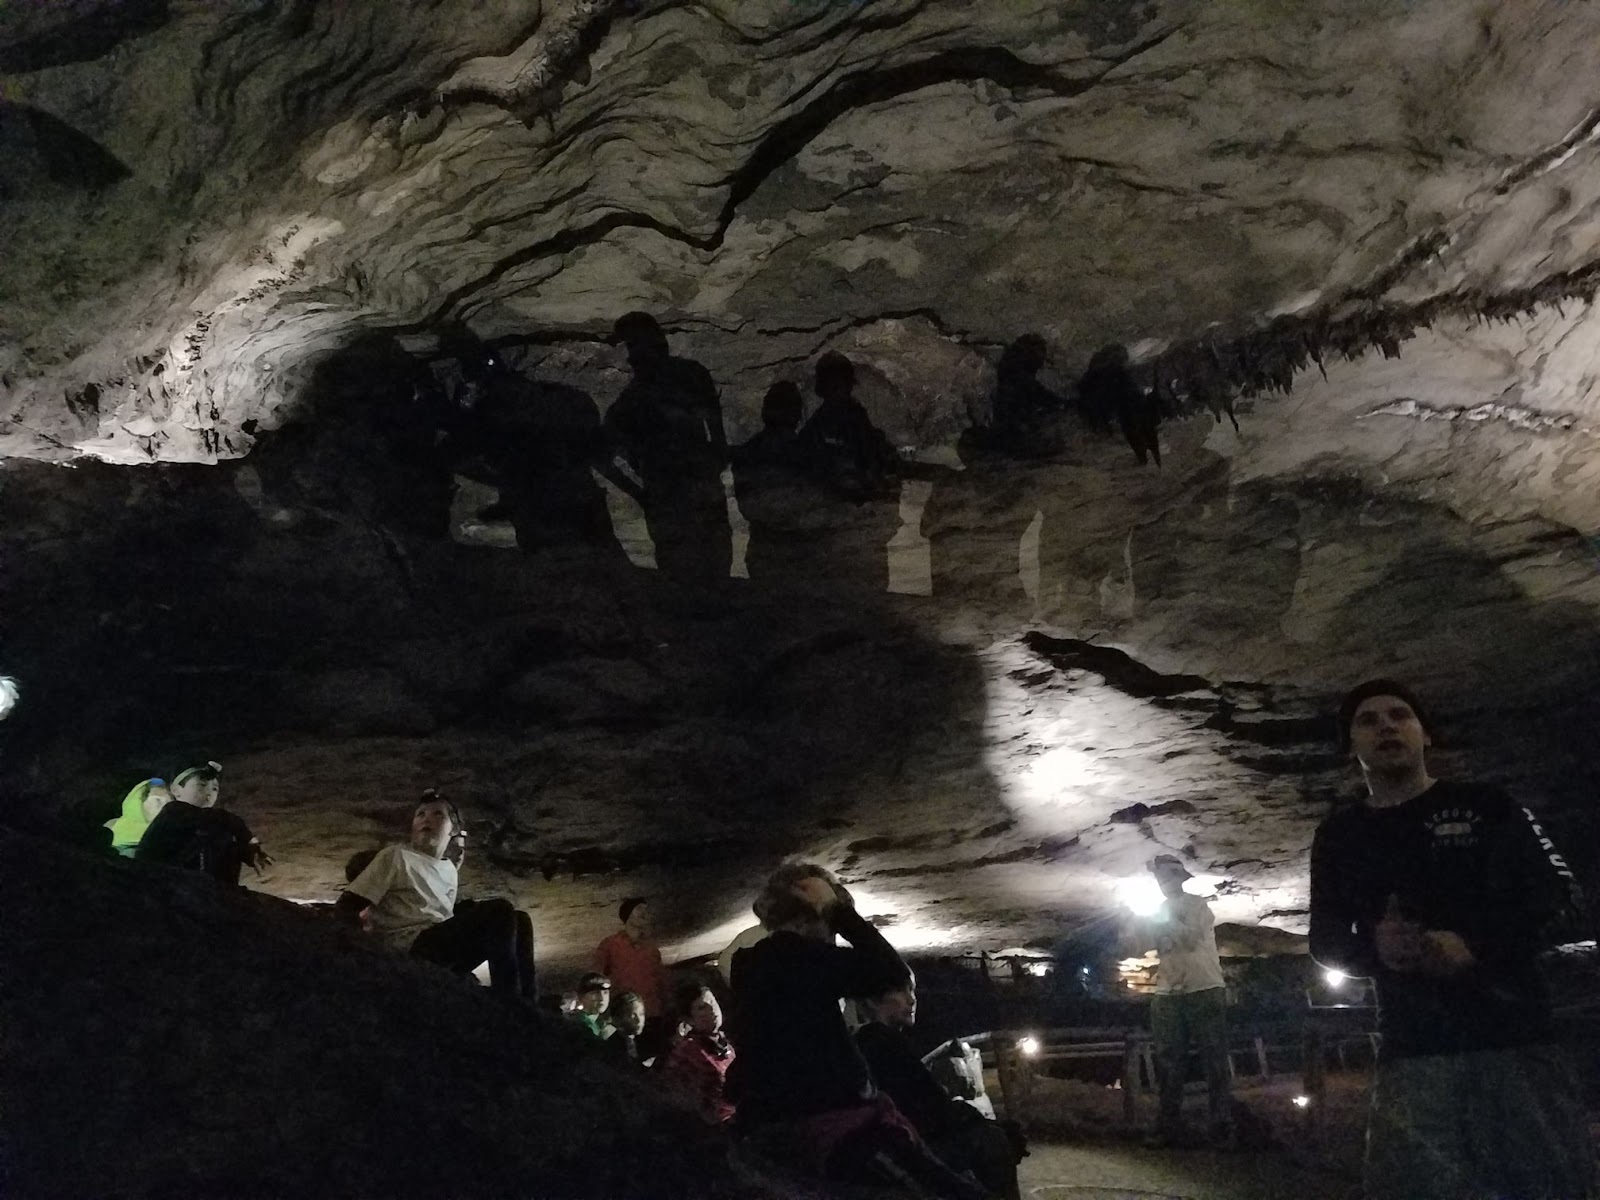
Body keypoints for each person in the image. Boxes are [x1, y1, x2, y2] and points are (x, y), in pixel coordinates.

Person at [1309, 680, 1595, 1200]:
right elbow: (1325, 942)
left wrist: (1477, 945)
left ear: (1426, 735)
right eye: (1367, 721)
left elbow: (1568, 902)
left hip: (1514, 1042)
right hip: (1413, 1052)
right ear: (1351, 745)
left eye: (1401, 715)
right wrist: (1377, 948)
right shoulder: (1339, 835)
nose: (1386, 726)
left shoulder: (1489, 807)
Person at [729, 863, 988, 1199]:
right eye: (829, 923)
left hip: (803, 1125)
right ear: (810, 915)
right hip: (834, 1133)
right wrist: (838, 909)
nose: (834, 936)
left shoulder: (762, 965)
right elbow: (891, 973)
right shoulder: (792, 958)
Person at [337, 790, 537, 1001]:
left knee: (521, 919)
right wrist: (362, 954)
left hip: (440, 947)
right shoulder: (396, 857)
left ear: (454, 829)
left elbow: (442, 913)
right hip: (411, 945)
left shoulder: (448, 869)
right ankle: (508, 1001)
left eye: (437, 815)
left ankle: (529, 1003)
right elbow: (348, 904)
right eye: (420, 814)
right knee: (499, 909)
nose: (426, 819)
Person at [857, 978, 1025, 1200]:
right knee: (992, 1142)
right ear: (871, 1001)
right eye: (900, 990)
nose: (911, 999)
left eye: (912, 990)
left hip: (898, 1143)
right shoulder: (880, 1042)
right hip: (898, 1151)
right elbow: (931, 1109)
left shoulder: (874, 1041)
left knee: (989, 1136)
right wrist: (982, 1122)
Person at [604, 312, 731, 583]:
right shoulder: (689, 375)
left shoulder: (632, 400)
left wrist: (640, 491)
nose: (630, 355)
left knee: (687, 579)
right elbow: (716, 430)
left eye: (632, 345)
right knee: (709, 576)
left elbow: (601, 455)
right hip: (689, 493)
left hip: (674, 496)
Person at [1130, 853, 1233, 1149]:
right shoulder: (1159, 911)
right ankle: (1169, 1125)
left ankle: (1221, 1125)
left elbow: (1189, 938)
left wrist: (1162, 921)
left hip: (1204, 988)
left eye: (1167, 877)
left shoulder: (1197, 905)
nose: (1163, 883)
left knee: (1214, 1058)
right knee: (1169, 1062)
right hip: (1168, 992)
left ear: (1179, 878)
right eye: (1159, 878)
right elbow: (1143, 945)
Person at [798, 353, 902, 595]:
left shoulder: (842, 426)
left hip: (851, 532)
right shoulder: (825, 428)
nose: (838, 390)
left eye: (839, 383)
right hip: (841, 532)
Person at [731, 381, 832, 584]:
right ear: (797, 414)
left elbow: (748, 506)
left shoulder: (748, 452)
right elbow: (820, 506)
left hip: (764, 551)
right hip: (800, 553)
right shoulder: (808, 452)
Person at [136, 761, 272, 885]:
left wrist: (248, 853)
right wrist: (248, 839)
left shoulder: (210, 823)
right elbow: (222, 818)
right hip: (164, 885)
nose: (208, 793)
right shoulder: (173, 811)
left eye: (214, 789)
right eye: (201, 785)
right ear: (176, 790)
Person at [593, 897, 671, 1050]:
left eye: (646, 909)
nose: (644, 913)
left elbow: (661, 980)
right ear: (627, 914)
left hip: (652, 1015)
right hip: (624, 1018)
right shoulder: (610, 945)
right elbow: (597, 977)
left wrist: (668, 1009)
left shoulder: (651, 948)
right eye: (639, 909)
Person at [662, 984, 737, 1123]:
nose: (712, 1009)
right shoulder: (686, 1052)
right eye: (702, 1007)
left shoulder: (727, 1044)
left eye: (712, 1001)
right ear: (689, 1019)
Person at [105, 778, 172, 857]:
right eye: (158, 800)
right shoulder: (112, 825)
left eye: (169, 803)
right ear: (138, 801)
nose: (164, 807)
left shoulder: (164, 840)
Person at [605, 992, 648, 1066]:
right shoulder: (613, 1048)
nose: (639, 1020)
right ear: (618, 1018)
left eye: (641, 1014)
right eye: (632, 1015)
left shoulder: (645, 1041)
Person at [571, 973, 612, 1039]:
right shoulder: (576, 1024)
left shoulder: (602, 1024)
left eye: (605, 993)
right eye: (595, 993)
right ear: (581, 996)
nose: (602, 998)